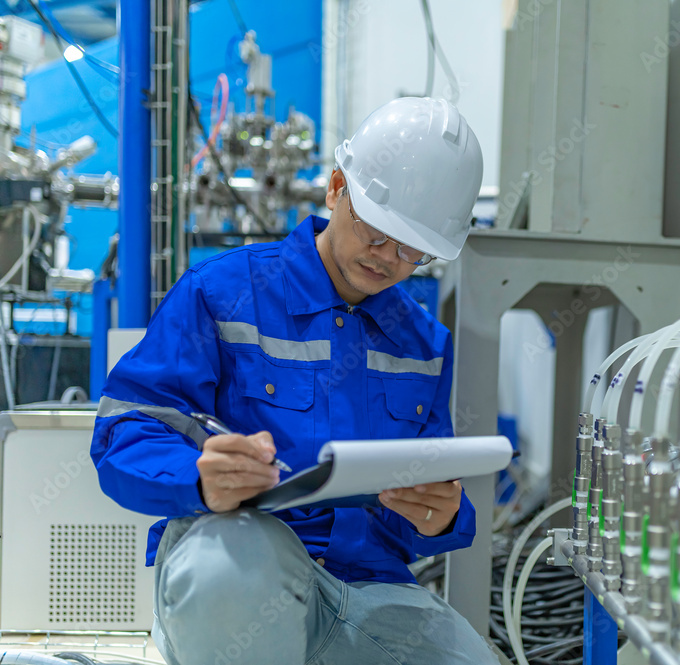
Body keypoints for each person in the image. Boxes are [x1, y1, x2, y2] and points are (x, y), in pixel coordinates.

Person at [91, 97, 497, 665]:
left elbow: (417, 500)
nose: (387, 258)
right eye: (377, 230)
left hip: (367, 592)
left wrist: (440, 517)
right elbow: (123, 433)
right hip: (238, 568)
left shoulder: (425, 344)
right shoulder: (222, 292)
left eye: (414, 251)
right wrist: (199, 476)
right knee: (232, 582)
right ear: (336, 188)